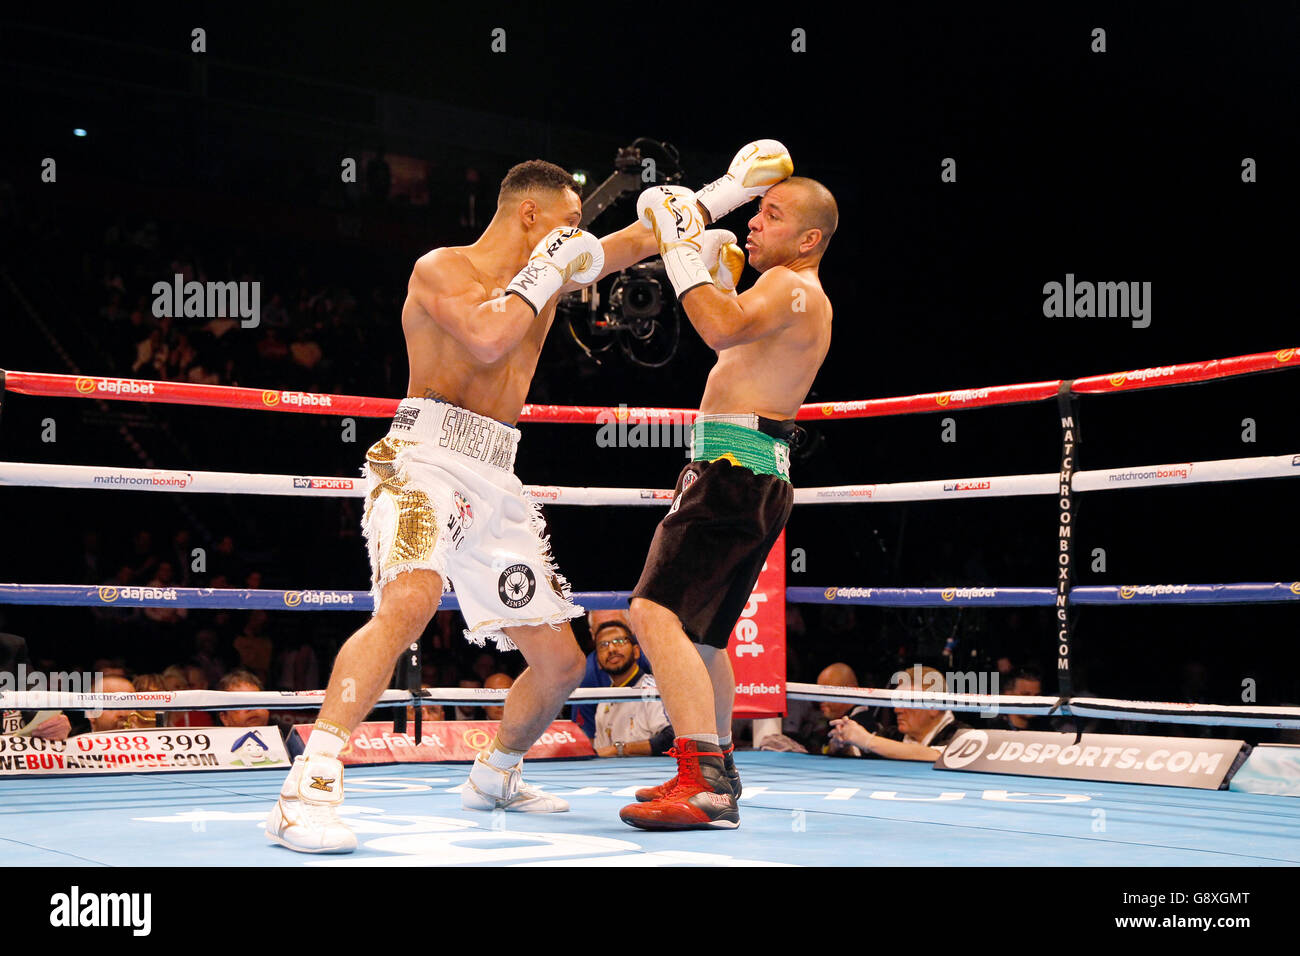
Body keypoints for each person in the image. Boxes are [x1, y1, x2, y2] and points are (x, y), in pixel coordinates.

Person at [267, 158, 665, 853]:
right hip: (421, 463)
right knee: (410, 601)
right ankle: (310, 781)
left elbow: (632, 243)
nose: (578, 240)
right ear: (530, 215)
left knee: (563, 664)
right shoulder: (441, 269)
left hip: (496, 476)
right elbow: (488, 336)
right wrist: (552, 268)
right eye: (569, 223)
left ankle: (495, 775)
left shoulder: (558, 267)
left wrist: (718, 200)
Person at [621, 143, 838, 830]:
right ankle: (718, 778)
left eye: (770, 214)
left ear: (807, 239)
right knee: (706, 640)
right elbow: (732, 322)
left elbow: (717, 326)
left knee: (652, 615)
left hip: (735, 472)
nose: (754, 221)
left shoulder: (790, 286)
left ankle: (704, 778)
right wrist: (709, 259)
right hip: (751, 470)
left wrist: (679, 243)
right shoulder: (788, 293)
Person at [828, 666, 972, 760]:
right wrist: (843, 744)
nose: (897, 710)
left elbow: (937, 756)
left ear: (933, 706)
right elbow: (861, 755)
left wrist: (867, 740)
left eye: (906, 702)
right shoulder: (893, 735)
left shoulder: (963, 735)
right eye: (897, 702)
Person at [590, 621, 672, 758]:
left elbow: (672, 739)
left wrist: (619, 750)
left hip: (656, 774)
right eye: (603, 645)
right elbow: (602, 753)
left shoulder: (653, 688)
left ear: (636, 652)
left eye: (619, 641)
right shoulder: (603, 702)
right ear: (598, 662)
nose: (611, 649)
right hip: (615, 777)